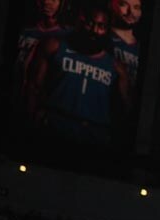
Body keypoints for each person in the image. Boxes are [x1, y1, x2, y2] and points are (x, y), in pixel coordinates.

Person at [25, 6, 130, 145]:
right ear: (81, 22)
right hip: (53, 128)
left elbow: (126, 108)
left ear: (108, 30)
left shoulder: (117, 67)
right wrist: (31, 124)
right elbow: (33, 87)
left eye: (101, 26)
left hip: (94, 137)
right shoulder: (54, 47)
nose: (94, 30)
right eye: (90, 23)